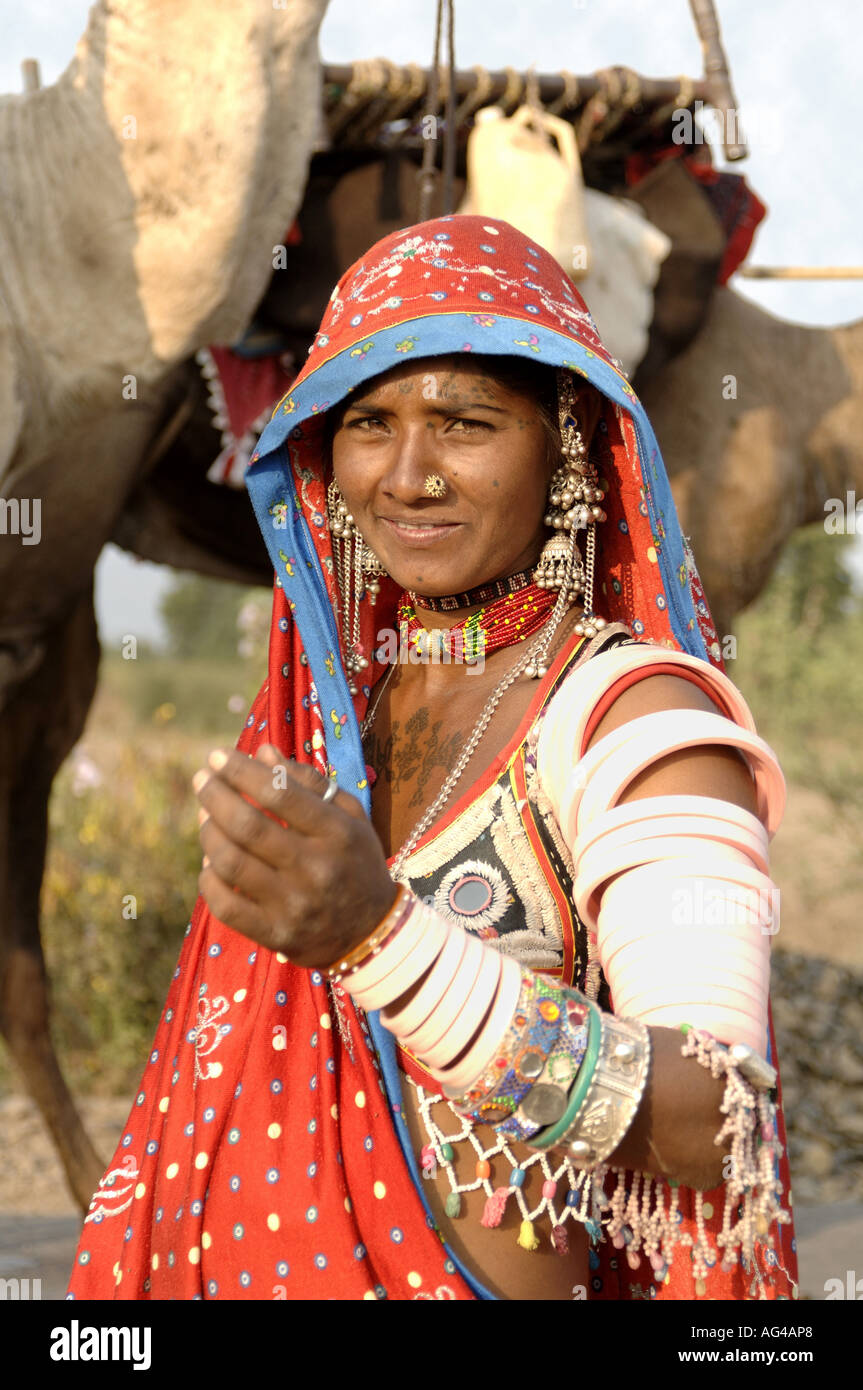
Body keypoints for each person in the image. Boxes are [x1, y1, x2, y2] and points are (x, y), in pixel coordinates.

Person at [67, 215, 797, 1302]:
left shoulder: (630, 722)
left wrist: (382, 941)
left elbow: (716, 1124)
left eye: (464, 423)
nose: (408, 477)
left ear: (564, 445)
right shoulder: (326, 723)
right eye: (369, 424)